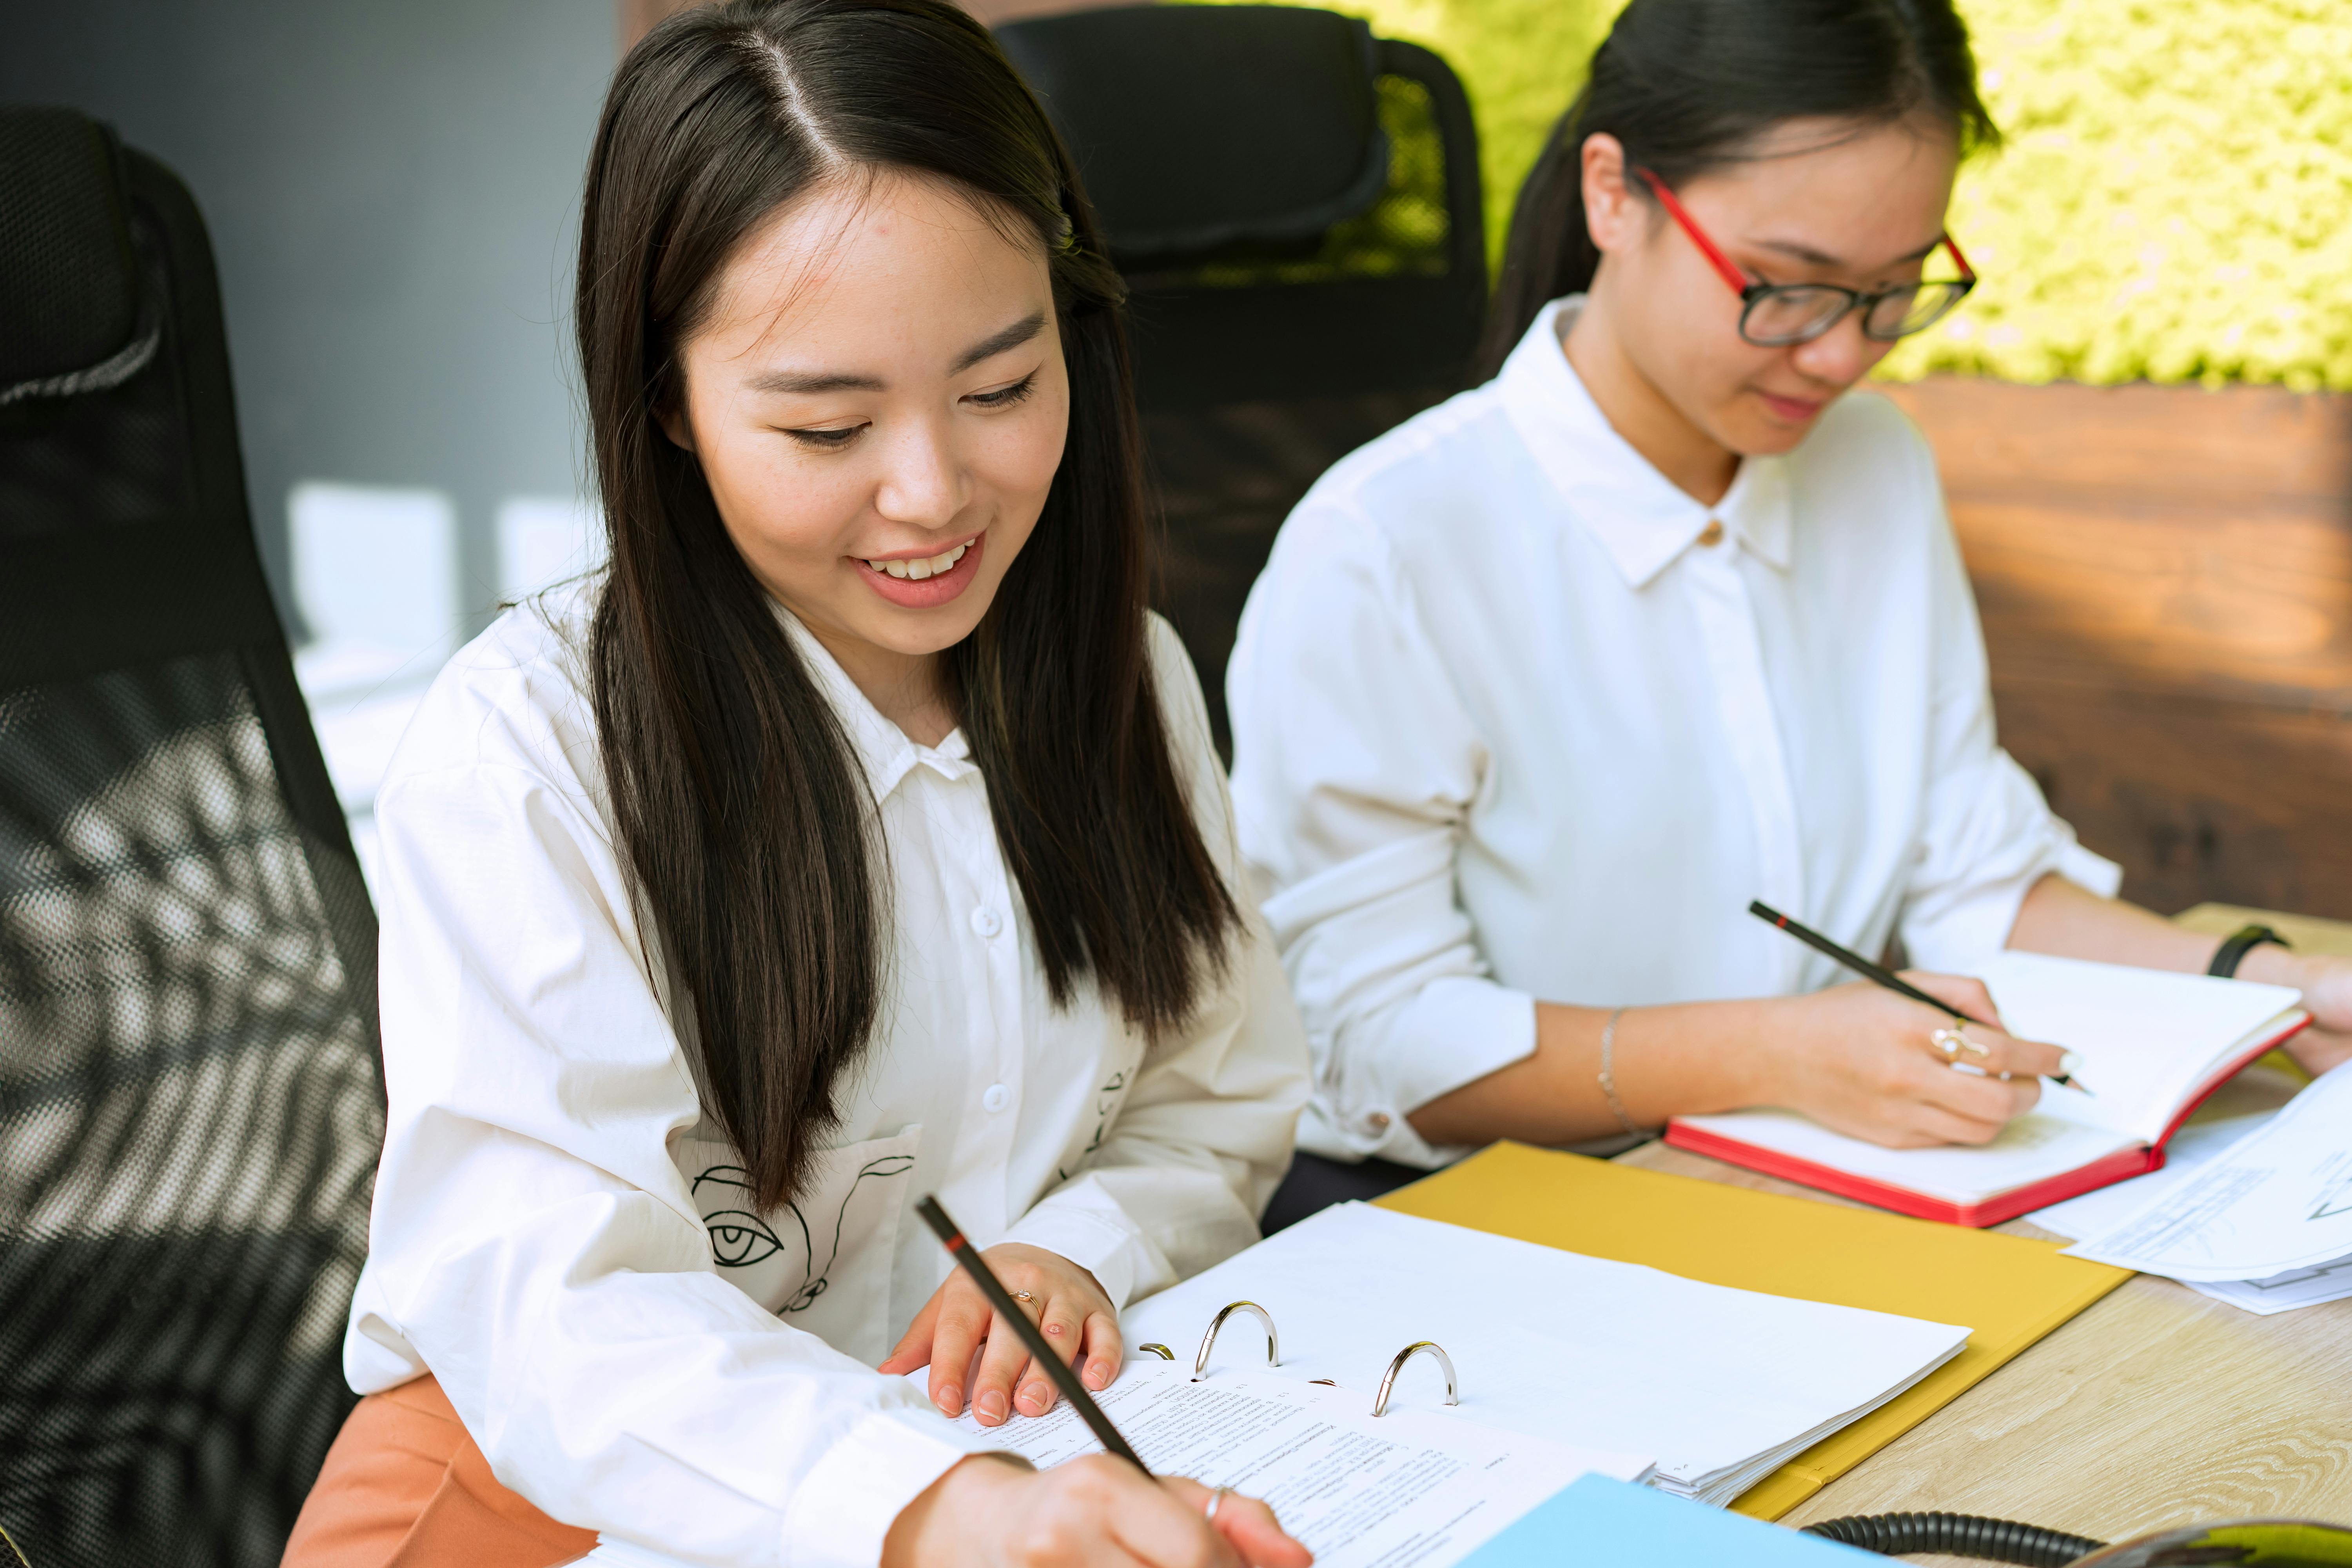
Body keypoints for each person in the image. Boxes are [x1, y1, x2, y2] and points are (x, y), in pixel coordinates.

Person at [282, 4, 1314, 1565]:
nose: (933, 490)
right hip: (548, 1507)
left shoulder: (1127, 677)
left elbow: (1210, 1103)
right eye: (829, 423)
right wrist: (939, 1511)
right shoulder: (532, 751)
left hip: (985, 1458)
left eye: (1000, 385)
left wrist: (1072, 1244)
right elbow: (565, 1308)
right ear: (669, 406)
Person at [1226, 0, 2352, 1210]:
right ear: (1615, 194)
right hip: (1513, 1222)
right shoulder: (1387, 546)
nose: (1839, 355)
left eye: (1892, 289)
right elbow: (1368, 1040)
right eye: (1787, 287)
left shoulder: (1874, 463)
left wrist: (2274, 983)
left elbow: (1967, 879)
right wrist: (1778, 1051)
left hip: (1830, 1178)